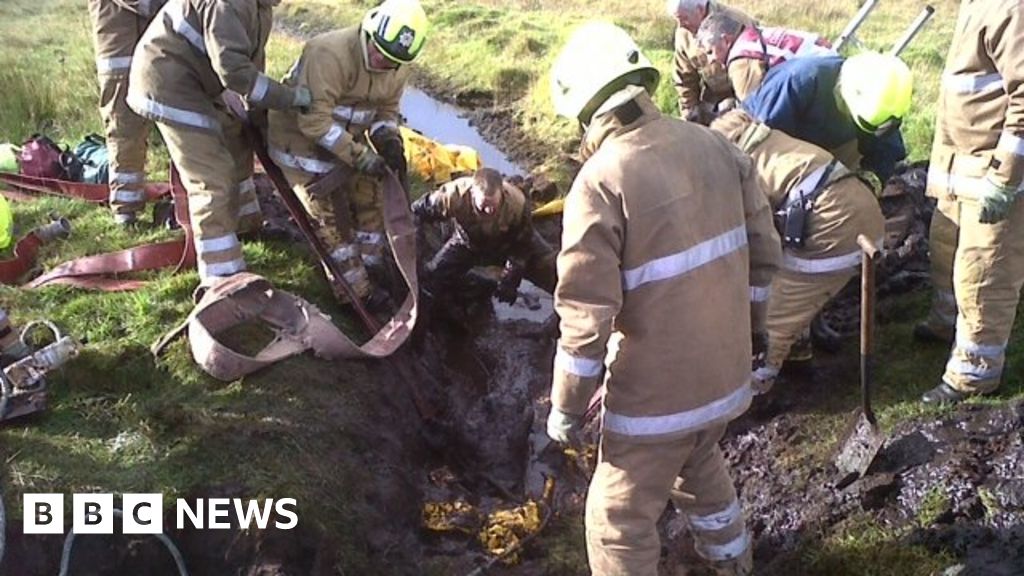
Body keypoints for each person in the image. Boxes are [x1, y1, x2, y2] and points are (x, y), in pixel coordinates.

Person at [546, 21, 780, 576]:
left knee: (616, 520)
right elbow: (763, 258)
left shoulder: (600, 180)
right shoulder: (714, 146)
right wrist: (753, 333)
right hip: (724, 378)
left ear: (587, 110)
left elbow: (584, 316)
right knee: (698, 463)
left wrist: (565, 410)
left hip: (656, 398)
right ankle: (733, 563)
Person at [127, 0, 309, 287]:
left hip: (200, 79)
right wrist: (288, 98)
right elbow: (234, 71)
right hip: (170, 83)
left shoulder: (261, 7)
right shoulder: (230, 3)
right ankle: (221, 276)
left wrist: (259, 115)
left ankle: (247, 229)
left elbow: (250, 63)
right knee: (212, 179)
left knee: (238, 144)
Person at [710, 109, 884, 391]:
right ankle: (799, 351)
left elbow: (755, 240)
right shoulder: (777, 143)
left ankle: (753, 389)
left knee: (771, 318)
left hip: (835, 232)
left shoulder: (746, 167)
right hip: (861, 218)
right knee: (791, 282)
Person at [268, 0, 425, 305]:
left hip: (346, 140)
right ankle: (355, 293)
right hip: (298, 138)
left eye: (392, 60)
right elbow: (314, 122)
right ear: (368, 31)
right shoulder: (327, 54)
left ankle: (373, 263)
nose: (383, 62)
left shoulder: (398, 65)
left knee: (373, 192)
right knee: (326, 215)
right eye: (379, 51)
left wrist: (388, 139)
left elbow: (386, 111)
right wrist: (360, 157)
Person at [918, 0, 1024, 404]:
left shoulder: (1011, 9)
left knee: (984, 269)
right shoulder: (978, 4)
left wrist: (1005, 177)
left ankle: (973, 373)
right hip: (962, 163)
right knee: (946, 247)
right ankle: (948, 323)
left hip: (994, 168)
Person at [742, 53, 912, 183]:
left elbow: (886, 152)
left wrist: (869, 182)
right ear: (848, 94)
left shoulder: (884, 102)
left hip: (823, 144)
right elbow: (758, 150)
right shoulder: (797, 82)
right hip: (764, 142)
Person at [412, 167, 556, 307]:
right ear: (472, 193)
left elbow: (523, 244)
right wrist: (418, 246)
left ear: (502, 192)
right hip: (467, 243)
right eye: (484, 205)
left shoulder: (517, 204)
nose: (489, 210)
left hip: (508, 243)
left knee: (551, 268)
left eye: (494, 205)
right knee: (433, 277)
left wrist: (511, 276)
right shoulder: (452, 195)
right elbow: (417, 212)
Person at [87, 0, 169, 226]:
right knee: (123, 128)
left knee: (179, 120)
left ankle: (185, 198)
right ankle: (125, 209)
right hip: (120, 51)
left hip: (156, 44)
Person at [696, 12, 835, 102]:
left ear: (726, 40)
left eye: (710, 52)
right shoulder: (758, 34)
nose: (711, 60)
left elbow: (755, 113)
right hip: (833, 64)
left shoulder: (741, 61)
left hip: (824, 88)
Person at [665, 0, 754, 123]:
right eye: (677, 20)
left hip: (745, 92)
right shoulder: (683, 34)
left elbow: (755, 69)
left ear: (700, 10)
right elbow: (684, 78)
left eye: (684, 18)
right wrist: (689, 111)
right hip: (713, 97)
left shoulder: (735, 21)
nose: (680, 25)